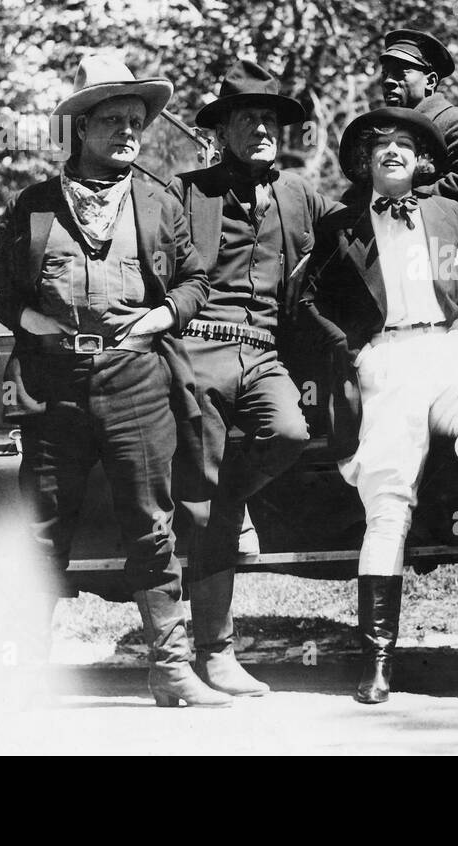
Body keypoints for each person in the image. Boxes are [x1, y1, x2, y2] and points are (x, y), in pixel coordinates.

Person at [0, 54, 230, 707]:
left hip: (135, 378)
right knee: (42, 527)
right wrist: (29, 316)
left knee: (151, 523)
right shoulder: (34, 207)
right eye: (113, 120)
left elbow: (197, 281)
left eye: (136, 120)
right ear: (81, 129)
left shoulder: (158, 199)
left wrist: (161, 316)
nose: (129, 131)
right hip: (54, 382)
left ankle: (172, 670)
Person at [300, 106, 458, 704]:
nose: (393, 152)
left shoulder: (449, 213)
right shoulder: (341, 224)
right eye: (381, 145)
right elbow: (306, 298)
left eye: (405, 145)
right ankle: (378, 659)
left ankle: (444, 488)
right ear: (365, 162)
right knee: (387, 505)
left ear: (423, 160)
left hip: (446, 350)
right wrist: (351, 347)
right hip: (386, 359)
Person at [168, 57, 335, 697]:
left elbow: (357, 226)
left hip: (263, 355)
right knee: (204, 500)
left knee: (289, 433)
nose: (262, 129)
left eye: (269, 119)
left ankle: (232, 504)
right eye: (248, 119)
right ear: (224, 129)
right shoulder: (187, 192)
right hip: (199, 347)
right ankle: (215, 653)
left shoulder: (297, 194)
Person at [378, 28, 458, 204]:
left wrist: (403, 197)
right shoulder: (384, 128)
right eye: (385, 73)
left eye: (400, 72)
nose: (388, 81)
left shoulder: (455, 121)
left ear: (431, 81)